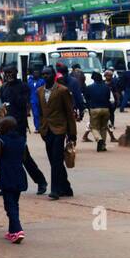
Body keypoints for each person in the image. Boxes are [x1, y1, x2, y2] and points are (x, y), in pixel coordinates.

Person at [0, 67, 47, 195]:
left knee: (24, 157)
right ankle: (2, 184)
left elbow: (22, 104)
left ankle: (40, 181)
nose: (9, 75)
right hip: (5, 128)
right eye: (7, 73)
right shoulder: (4, 87)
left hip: (19, 128)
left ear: (16, 73)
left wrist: (12, 92)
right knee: (3, 157)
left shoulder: (23, 87)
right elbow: (3, 105)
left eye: (11, 73)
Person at [36, 68, 76, 200]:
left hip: (60, 129)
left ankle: (55, 190)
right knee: (53, 160)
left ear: (53, 75)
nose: (45, 76)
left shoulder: (62, 90)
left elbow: (69, 113)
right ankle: (66, 187)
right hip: (46, 130)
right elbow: (41, 112)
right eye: (43, 74)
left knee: (56, 159)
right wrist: (41, 128)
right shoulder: (39, 91)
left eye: (47, 74)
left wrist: (72, 133)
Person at [0, 116, 28, 243]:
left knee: (9, 204)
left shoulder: (1, 140)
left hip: (6, 173)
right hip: (19, 173)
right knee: (15, 202)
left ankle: (18, 229)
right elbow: (24, 157)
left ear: (4, 128)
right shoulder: (22, 140)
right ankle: (11, 231)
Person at [82, 71, 114, 151]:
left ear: (93, 79)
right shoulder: (107, 87)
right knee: (103, 128)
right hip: (105, 109)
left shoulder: (89, 87)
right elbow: (109, 99)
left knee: (94, 127)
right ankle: (103, 146)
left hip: (94, 109)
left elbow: (86, 99)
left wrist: (88, 108)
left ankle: (99, 139)